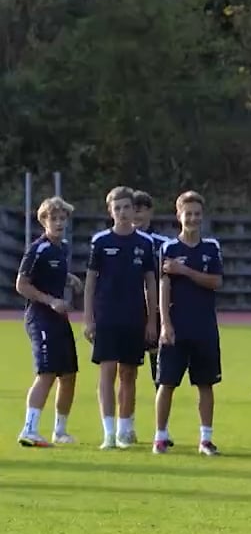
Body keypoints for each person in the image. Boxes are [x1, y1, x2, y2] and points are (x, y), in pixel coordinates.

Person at [83, 188, 158, 449]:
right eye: (118, 208)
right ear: (110, 211)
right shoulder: (100, 242)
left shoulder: (145, 243)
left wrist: (152, 320)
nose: (123, 213)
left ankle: (125, 429)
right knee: (107, 372)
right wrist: (88, 318)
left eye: (127, 207)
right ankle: (108, 432)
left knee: (129, 374)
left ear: (133, 210)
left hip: (134, 316)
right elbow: (90, 283)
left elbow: (151, 283)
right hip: (106, 316)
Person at [154, 191, 225, 455]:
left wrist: (184, 271)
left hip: (204, 327)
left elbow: (216, 282)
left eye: (197, 214)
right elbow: (164, 288)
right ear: (179, 216)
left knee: (205, 384)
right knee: (167, 383)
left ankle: (205, 439)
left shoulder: (211, 248)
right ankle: (160, 436)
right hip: (176, 326)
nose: (193, 219)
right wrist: (165, 324)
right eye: (188, 214)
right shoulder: (168, 249)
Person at [16, 197, 80, 447]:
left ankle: (60, 431)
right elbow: (22, 285)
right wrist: (51, 301)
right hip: (40, 317)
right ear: (44, 221)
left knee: (69, 374)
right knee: (47, 372)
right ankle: (29, 429)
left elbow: (52, 273)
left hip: (58, 318)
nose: (59, 223)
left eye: (62, 218)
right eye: (53, 218)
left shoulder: (62, 248)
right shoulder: (37, 249)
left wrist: (69, 279)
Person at [128, 190, 164, 390]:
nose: (136, 216)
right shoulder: (120, 241)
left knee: (157, 360)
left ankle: (161, 406)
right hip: (129, 310)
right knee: (127, 367)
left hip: (156, 310)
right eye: (132, 211)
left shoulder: (162, 244)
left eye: (140, 211)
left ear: (150, 212)